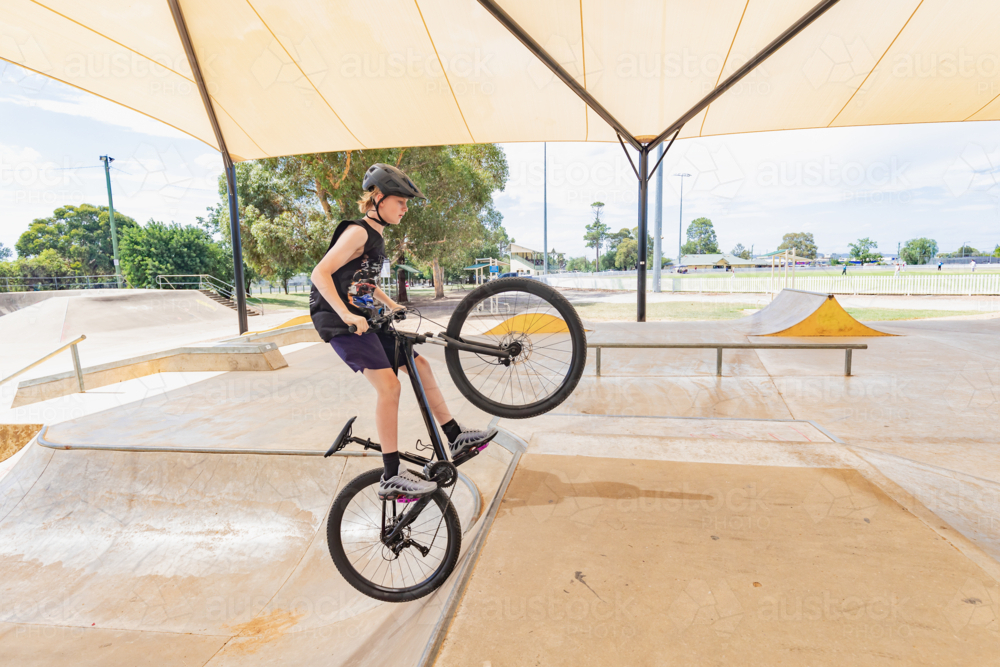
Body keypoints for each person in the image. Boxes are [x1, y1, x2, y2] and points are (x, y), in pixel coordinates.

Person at [310, 164, 495, 500]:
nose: (406, 208)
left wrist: (391, 304)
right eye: (401, 201)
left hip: (362, 316)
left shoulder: (376, 236)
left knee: (419, 364)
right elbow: (319, 274)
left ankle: (454, 436)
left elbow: (363, 282)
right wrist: (345, 315)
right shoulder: (358, 231)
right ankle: (391, 476)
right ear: (377, 198)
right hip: (339, 320)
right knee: (390, 386)